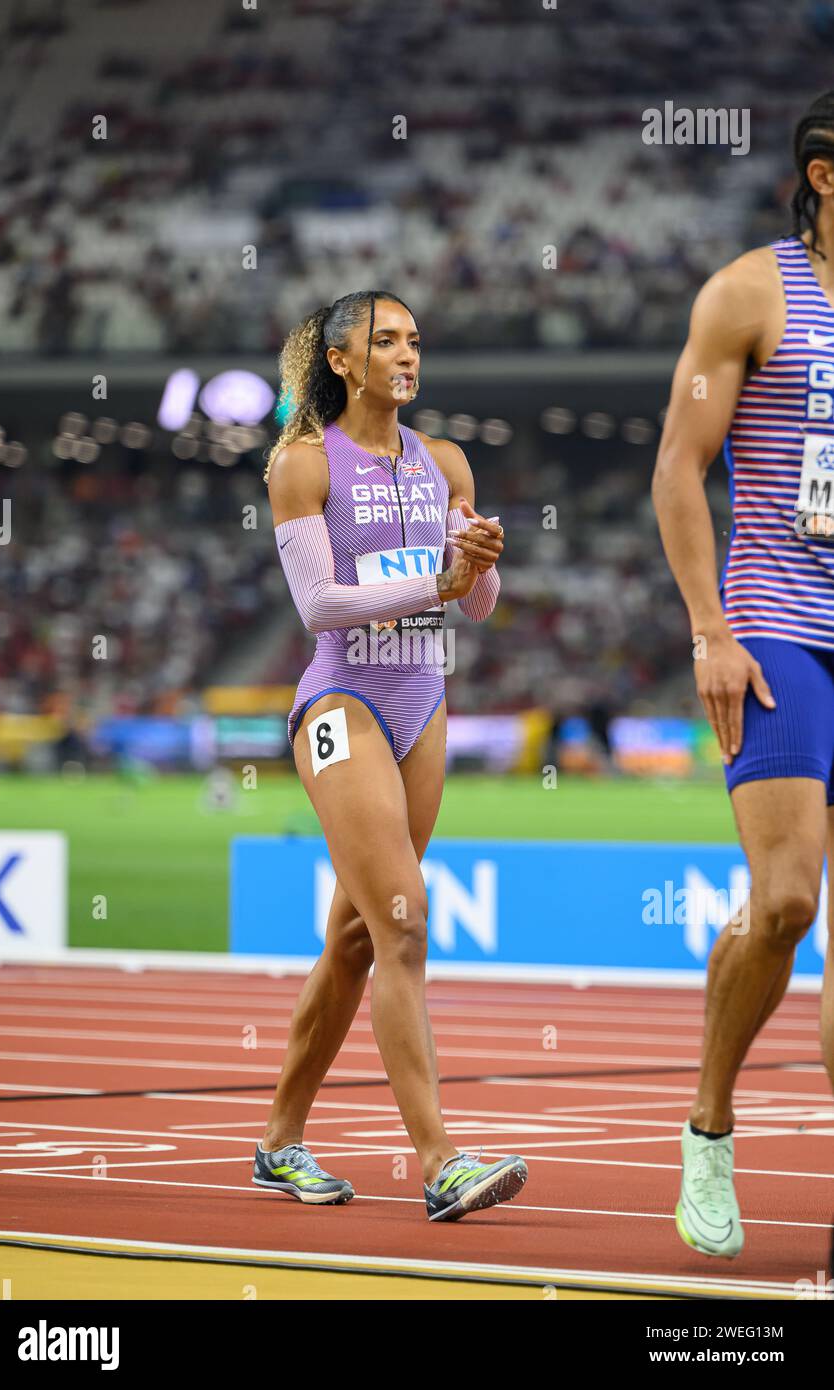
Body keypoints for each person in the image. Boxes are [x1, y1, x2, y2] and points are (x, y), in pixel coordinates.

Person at [255, 288, 528, 1221]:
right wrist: (438, 579)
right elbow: (320, 606)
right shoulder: (302, 464)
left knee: (357, 938)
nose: (407, 354)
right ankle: (439, 1160)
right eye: (387, 340)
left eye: (415, 339)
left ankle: (280, 1142)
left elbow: (475, 604)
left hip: (424, 705)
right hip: (340, 702)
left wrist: (480, 567)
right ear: (341, 359)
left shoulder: (444, 460)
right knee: (405, 920)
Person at [652, 91, 834, 1258]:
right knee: (782, 903)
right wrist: (707, 627)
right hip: (774, 622)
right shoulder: (748, 292)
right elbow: (678, 468)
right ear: (824, 174)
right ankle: (708, 1129)